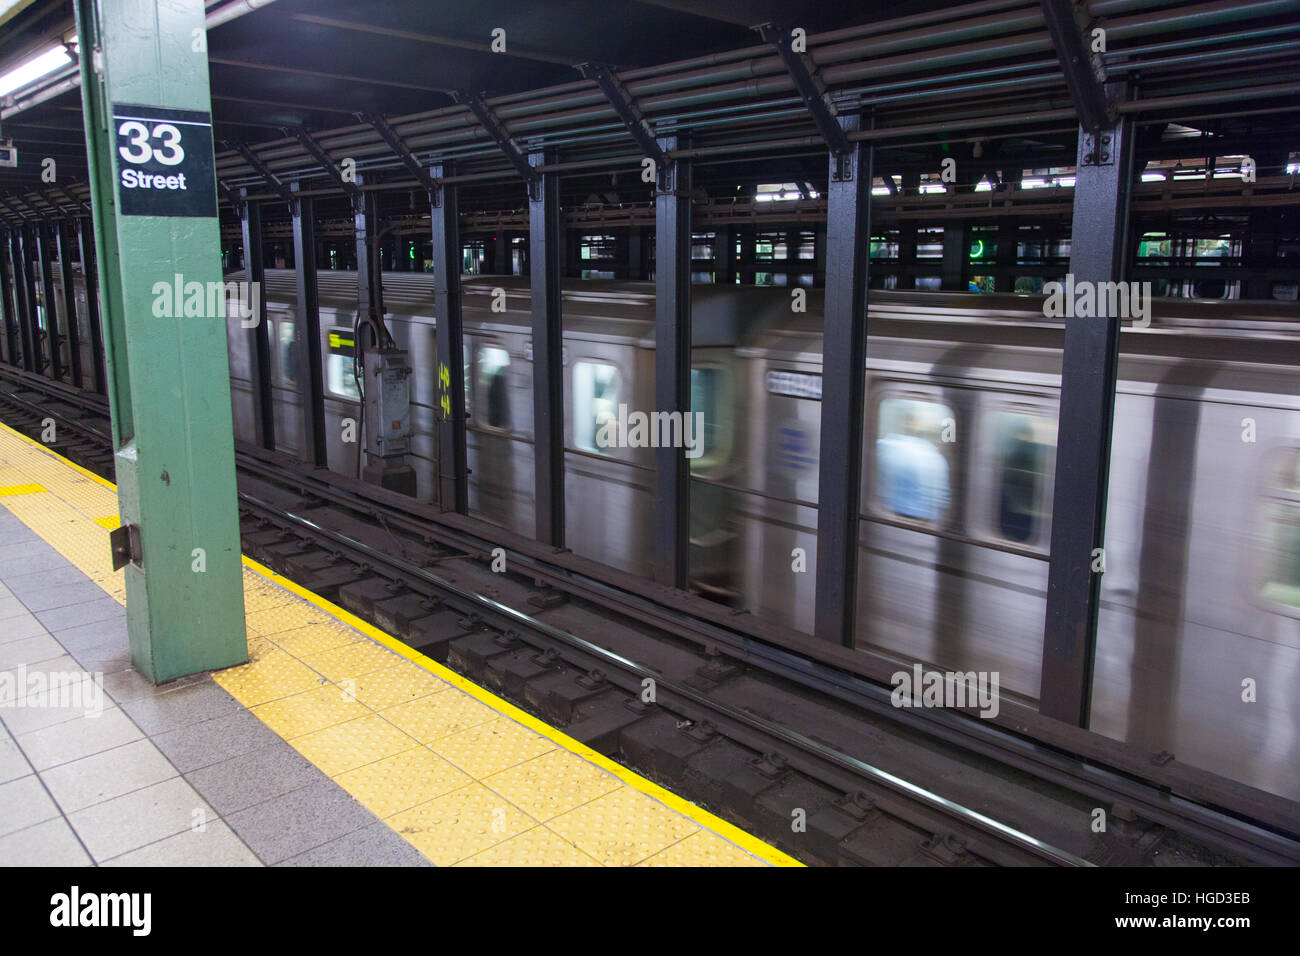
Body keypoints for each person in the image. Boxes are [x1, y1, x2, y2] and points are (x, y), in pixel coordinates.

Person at [877, 411, 950, 522]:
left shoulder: (886, 446)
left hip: (889, 515)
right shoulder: (937, 459)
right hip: (923, 521)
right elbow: (942, 500)